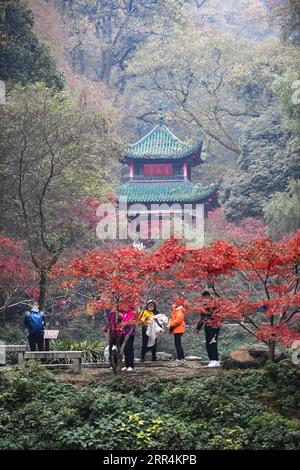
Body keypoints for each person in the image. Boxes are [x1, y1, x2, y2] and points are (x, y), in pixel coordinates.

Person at [196, 289, 221, 368]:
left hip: (215, 326)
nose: (205, 299)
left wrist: (216, 322)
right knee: (207, 343)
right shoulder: (203, 306)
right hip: (207, 326)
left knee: (212, 342)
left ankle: (215, 360)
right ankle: (211, 360)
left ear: (210, 297)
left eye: (207, 297)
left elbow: (220, 315)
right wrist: (198, 328)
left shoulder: (215, 304)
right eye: (204, 297)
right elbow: (202, 317)